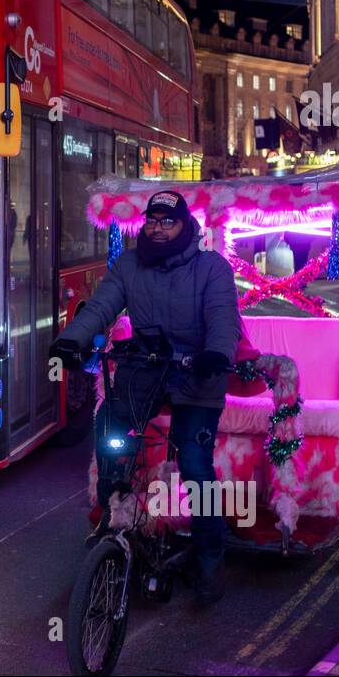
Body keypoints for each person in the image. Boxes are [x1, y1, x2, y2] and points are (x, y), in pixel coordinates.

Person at [49, 190, 240, 606]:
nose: (156, 228)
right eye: (151, 220)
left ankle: (210, 553)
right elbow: (100, 308)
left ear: (184, 226)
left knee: (194, 465)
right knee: (110, 430)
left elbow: (224, 318)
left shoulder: (211, 268)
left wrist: (216, 354)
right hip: (147, 370)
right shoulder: (130, 264)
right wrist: (70, 341)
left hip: (198, 374)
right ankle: (113, 515)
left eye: (166, 221)